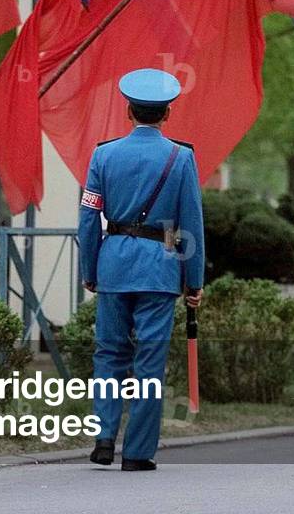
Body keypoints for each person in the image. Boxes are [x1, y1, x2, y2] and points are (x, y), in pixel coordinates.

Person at [78, 68, 205, 472]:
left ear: (128, 110)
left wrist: (90, 268)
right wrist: (194, 280)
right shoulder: (181, 158)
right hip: (160, 269)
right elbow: (190, 224)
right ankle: (137, 452)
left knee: (109, 353)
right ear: (167, 113)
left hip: (113, 264)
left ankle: (103, 435)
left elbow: (88, 218)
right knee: (149, 361)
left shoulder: (103, 154)